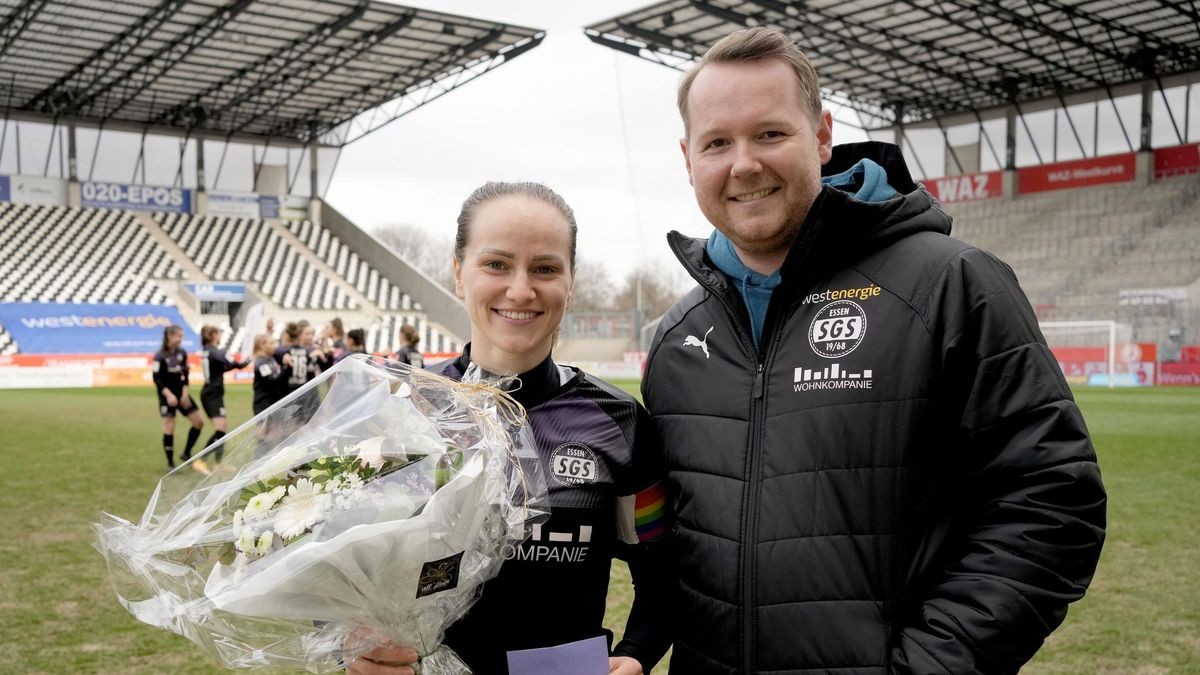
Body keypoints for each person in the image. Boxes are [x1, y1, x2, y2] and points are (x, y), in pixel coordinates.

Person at [640, 27, 1107, 674]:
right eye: (718, 142)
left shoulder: (951, 284)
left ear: (823, 135)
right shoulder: (677, 338)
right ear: (689, 158)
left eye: (770, 134)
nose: (743, 163)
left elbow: (1054, 503)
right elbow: (667, 543)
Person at [349, 182, 672, 675]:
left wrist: (637, 653)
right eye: (496, 264)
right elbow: (336, 572)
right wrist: (353, 652)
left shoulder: (619, 421)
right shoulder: (399, 409)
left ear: (571, 280)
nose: (520, 290)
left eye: (545, 268)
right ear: (459, 274)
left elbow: (662, 568)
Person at [196, 325, 250, 472]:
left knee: (222, 429)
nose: (220, 336)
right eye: (219, 334)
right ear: (212, 335)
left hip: (212, 392)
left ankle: (218, 464)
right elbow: (233, 363)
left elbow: (223, 368)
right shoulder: (215, 351)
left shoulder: (208, 351)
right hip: (212, 394)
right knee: (220, 429)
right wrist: (246, 361)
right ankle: (201, 460)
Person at [152, 325, 204, 470]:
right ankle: (170, 463)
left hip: (182, 394)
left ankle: (186, 453)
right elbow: (156, 378)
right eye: (179, 336)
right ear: (170, 336)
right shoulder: (160, 356)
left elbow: (186, 375)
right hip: (166, 396)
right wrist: (169, 395)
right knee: (169, 426)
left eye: (182, 336)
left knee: (198, 422)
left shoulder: (182, 353)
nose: (181, 339)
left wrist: (185, 394)